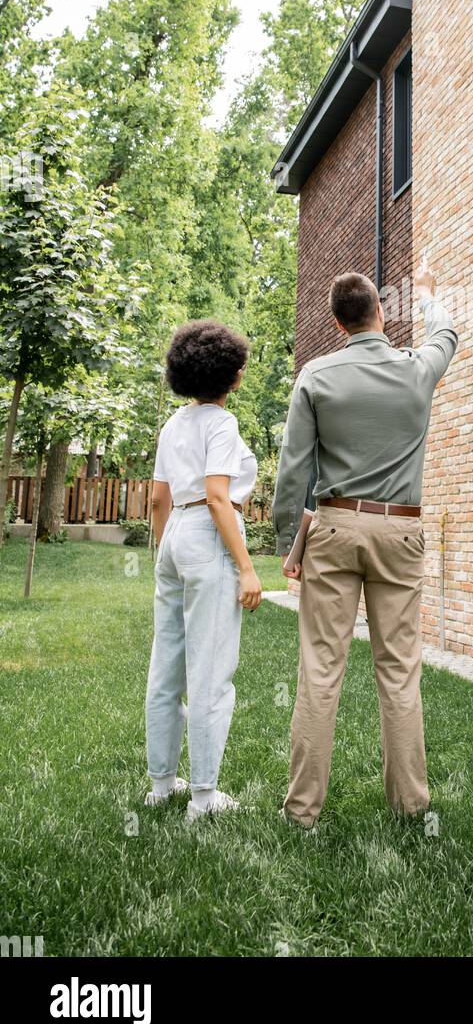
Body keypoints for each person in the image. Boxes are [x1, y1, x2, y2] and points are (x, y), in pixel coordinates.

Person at [273, 255, 458, 827]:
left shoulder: (316, 376)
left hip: (333, 528)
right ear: (381, 312)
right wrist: (425, 294)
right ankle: (410, 807)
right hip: (402, 530)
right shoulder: (416, 369)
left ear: (337, 325)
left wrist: (289, 542)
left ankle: (303, 812)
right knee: (399, 670)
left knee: (321, 670)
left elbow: (292, 471)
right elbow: (447, 333)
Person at [145, 319, 262, 821]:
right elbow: (219, 497)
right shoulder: (221, 424)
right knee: (212, 671)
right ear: (230, 374)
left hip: (173, 538)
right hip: (207, 536)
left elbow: (156, 498)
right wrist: (247, 567)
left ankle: (161, 783)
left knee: (166, 666)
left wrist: (164, 554)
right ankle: (204, 796)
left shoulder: (173, 424)